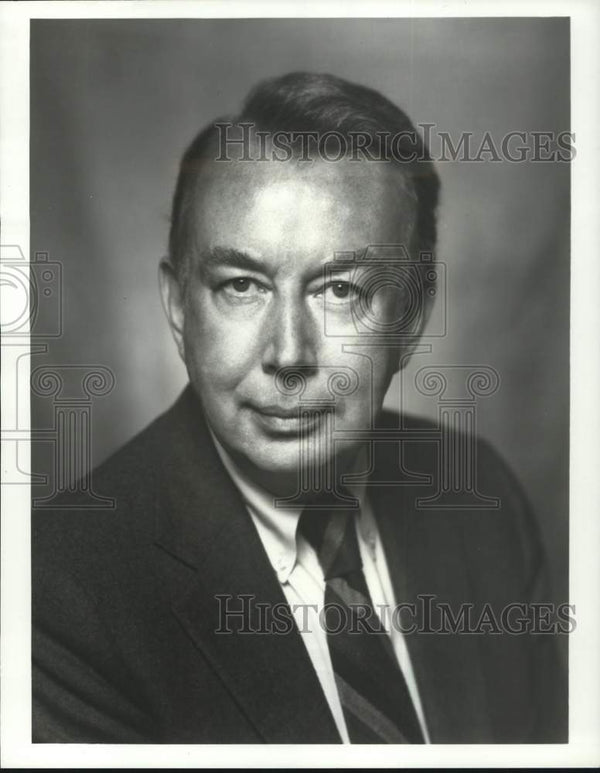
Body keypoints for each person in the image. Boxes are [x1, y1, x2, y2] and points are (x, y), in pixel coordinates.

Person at [32, 72, 567, 743]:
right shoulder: (55, 594)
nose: (288, 352)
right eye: (242, 285)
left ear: (411, 316)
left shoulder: (482, 498)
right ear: (178, 308)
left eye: (340, 290)